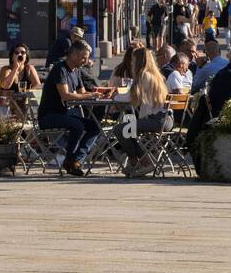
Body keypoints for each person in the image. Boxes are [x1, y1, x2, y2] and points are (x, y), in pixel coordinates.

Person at [37, 39, 101, 176]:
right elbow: (65, 95)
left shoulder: (76, 71)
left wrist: (100, 93)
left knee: (95, 126)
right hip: (49, 116)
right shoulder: (60, 69)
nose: (86, 61)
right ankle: (70, 159)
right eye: (84, 57)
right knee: (77, 125)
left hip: (65, 114)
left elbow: (82, 93)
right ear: (74, 55)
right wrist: (89, 96)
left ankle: (75, 160)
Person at [114, 50, 174, 177]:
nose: (131, 63)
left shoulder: (143, 76)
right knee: (128, 129)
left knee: (121, 129)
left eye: (133, 60)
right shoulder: (157, 76)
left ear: (139, 61)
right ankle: (138, 162)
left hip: (156, 120)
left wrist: (114, 97)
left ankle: (141, 162)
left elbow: (130, 97)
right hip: (166, 120)